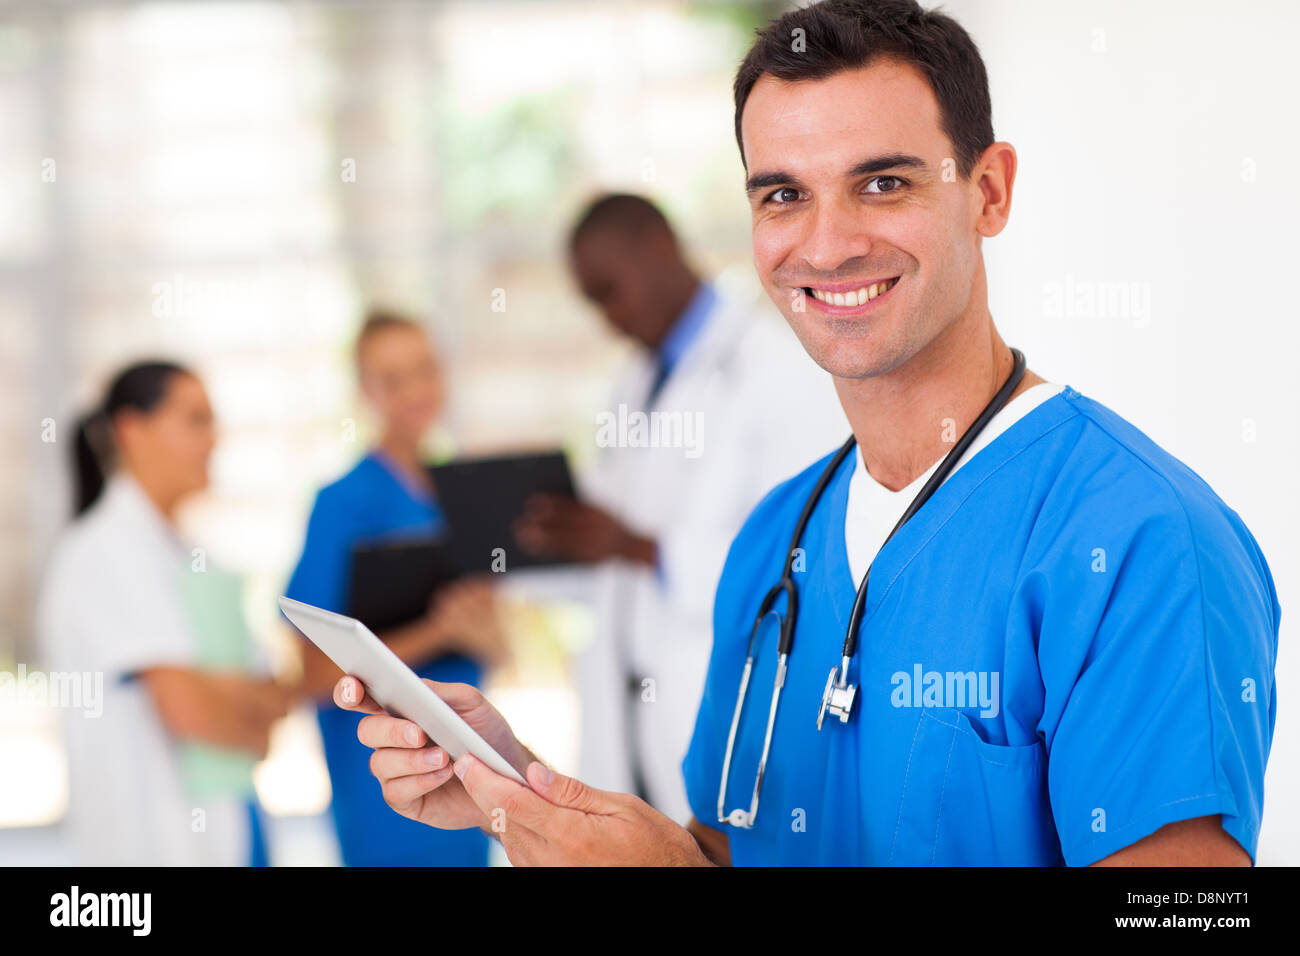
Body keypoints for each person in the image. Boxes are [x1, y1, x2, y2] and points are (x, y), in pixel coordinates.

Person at [337, 0, 1279, 866]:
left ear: (988, 193)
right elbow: (726, 854)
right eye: (782, 195)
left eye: (881, 182)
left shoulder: (1139, 543)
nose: (825, 246)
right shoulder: (773, 545)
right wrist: (526, 792)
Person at [512, 193, 845, 821]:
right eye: (591, 301)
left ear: (658, 248)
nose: (606, 318)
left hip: (720, 701)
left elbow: (803, 555)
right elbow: (610, 547)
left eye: (610, 290)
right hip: (629, 708)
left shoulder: (774, 367)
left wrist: (637, 547)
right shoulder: (635, 381)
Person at [37, 361, 291, 866]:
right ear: (133, 430)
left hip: (233, 832)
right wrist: (232, 703)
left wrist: (221, 697)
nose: (215, 439)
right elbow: (190, 712)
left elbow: (276, 698)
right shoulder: (103, 552)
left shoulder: (194, 556)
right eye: (196, 420)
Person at [284, 308, 506, 866]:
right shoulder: (340, 505)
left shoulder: (465, 498)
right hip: (385, 785)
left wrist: (480, 629)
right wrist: (439, 629)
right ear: (366, 391)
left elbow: (502, 649)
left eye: (425, 369)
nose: (415, 391)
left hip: (468, 778)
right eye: (392, 378)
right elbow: (313, 675)